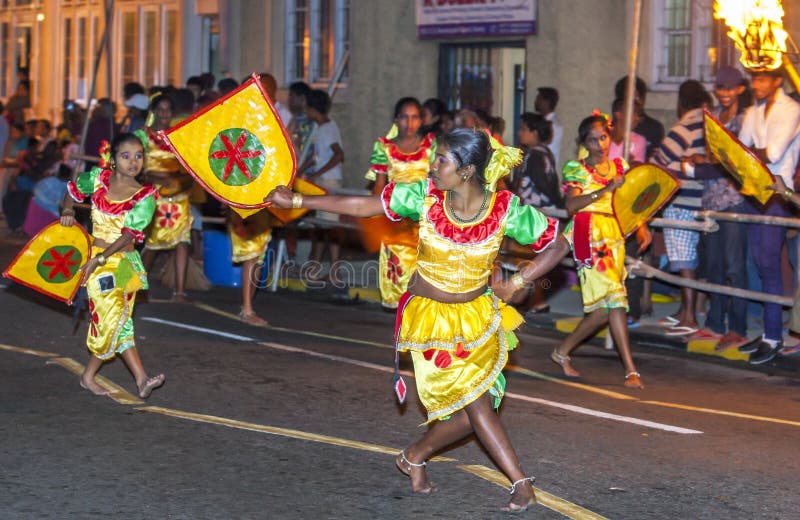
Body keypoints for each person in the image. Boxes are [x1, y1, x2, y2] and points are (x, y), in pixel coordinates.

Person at [265, 128, 569, 512]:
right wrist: (296, 198)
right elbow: (362, 206)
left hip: (477, 317)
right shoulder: (422, 198)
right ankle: (520, 482)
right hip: (431, 320)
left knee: (478, 407)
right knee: (477, 404)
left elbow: (558, 243)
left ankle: (414, 455)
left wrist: (518, 282)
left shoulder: (506, 209)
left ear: (467, 171)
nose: (433, 165)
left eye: (442, 160)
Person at [59, 133, 165, 398]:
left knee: (120, 319)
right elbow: (72, 191)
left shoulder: (145, 196)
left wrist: (102, 257)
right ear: (114, 160)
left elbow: (129, 236)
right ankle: (94, 375)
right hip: (97, 262)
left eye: (138, 156)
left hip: (123, 263)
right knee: (110, 317)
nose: (133, 162)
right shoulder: (98, 179)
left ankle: (139, 380)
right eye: (126, 156)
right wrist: (69, 210)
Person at [551, 113, 649, 388]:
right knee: (614, 302)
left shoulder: (620, 166)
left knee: (607, 308)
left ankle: (562, 352)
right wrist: (606, 188)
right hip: (587, 235)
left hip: (613, 237)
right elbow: (571, 207)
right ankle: (631, 370)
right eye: (592, 140)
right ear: (584, 143)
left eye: (603, 137)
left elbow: (627, 202)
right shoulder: (576, 168)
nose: (599, 144)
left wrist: (640, 224)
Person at [737, 67, 800, 364]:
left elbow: (773, 153)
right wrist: (747, 152)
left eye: (762, 78)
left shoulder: (792, 110)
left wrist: (748, 152)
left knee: (770, 264)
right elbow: (739, 148)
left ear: (778, 81)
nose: (755, 84)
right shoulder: (753, 111)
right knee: (759, 264)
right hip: (754, 192)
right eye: (754, 78)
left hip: (778, 194)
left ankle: (774, 336)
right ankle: (767, 332)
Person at [695, 67, 751, 349]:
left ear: (740, 89)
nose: (725, 93)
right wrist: (705, 163)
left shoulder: (746, 119)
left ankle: (737, 327)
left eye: (730, 88)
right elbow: (713, 158)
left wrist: (702, 166)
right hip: (711, 202)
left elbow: (736, 162)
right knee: (714, 266)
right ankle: (715, 323)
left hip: (735, 202)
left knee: (734, 267)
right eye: (720, 87)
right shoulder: (714, 118)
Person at [651, 80, 711, 336]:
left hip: (683, 199)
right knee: (690, 258)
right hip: (700, 198)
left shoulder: (684, 127)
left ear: (681, 102)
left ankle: (689, 316)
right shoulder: (707, 125)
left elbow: (659, 159)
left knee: (684, 259)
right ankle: (684, 311)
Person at [365, 97, 435, 308]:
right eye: (404, 117)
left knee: (425, 277)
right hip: (395, 219)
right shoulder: (384, 147)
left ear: (421, 121)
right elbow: (379, 186)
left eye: (414, 117)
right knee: (400, 278)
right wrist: (372, 214)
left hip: (424, 220)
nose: (409, 123)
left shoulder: (431, 145)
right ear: (396, 120)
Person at [138, 94, 194, 302]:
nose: (164, 114)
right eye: (159, 110)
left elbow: (190, 164)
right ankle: (138, 286)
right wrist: (155, 177)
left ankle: (179, 291)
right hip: (155, 195)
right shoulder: (142, 135)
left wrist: (179, 178)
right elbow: (136, 166)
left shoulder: (179, 136)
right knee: (153, 243)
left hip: (180, 195)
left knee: (182, 241)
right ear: (153, 112)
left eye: (168, 110)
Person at [298, 89, 345, 280]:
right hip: (323, 182)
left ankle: (332, 270)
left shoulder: (326, 128)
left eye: (307, 109)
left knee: (329, 226)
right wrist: (304, 168)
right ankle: (317, 268)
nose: (306, 113)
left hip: (329, 181)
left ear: (313, 109)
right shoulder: (324, 127)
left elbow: (338, 154)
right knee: (322, 226)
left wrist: (317, 173)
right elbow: (318, 155)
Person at [228, 209, 272, 326]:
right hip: (244, 206)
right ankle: (247, 310)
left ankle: (247, 307)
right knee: (250, 254)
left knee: (259, 258)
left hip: (263, 209)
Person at [614, 76, 665, 160]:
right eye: (628, 99)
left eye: (637, 98)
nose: (634, 103)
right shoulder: (611, 129)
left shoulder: (654, 128)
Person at [534, 87, 563, 171]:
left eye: (538, 99)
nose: (536, 102)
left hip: (544, 171)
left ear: (546, 102)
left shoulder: (552, 125)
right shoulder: (548, 122)